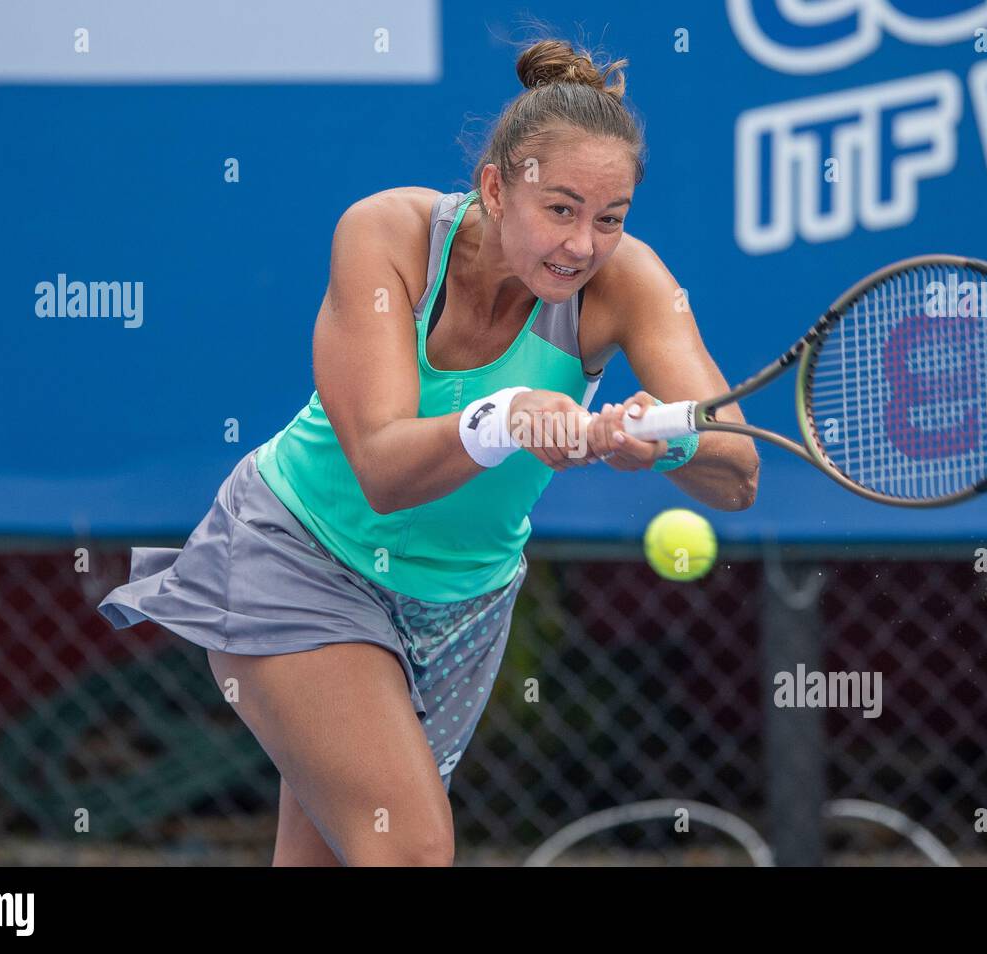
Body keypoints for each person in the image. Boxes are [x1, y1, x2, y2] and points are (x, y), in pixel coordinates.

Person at [97, 36, 759, 866]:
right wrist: (508, 414)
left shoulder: (630, 283)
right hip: (301, 558)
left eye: (610, 218)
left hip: (461, 611)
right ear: (494, 186)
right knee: (407, 850)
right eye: (560, 208)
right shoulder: (387, 233)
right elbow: (381, 467)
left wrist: (658, 445)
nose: (584, 244)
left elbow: (737, 473)